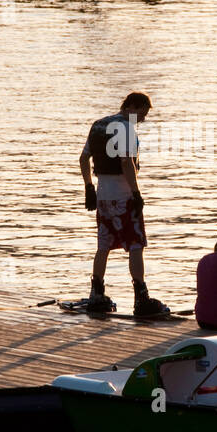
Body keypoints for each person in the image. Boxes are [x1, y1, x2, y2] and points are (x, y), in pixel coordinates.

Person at [79, 92, 168, 316]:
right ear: (132, 106)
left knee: (103, 245)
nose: (144, 119)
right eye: (143, 113)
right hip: (124, 196)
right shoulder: (126, 128)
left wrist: (89, 188)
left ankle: (96, 294)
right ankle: (141, 298)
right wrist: (136, 194)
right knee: (136, 245)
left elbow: (83, 159)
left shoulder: (98, 125)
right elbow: (127, 162)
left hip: (103, 196)